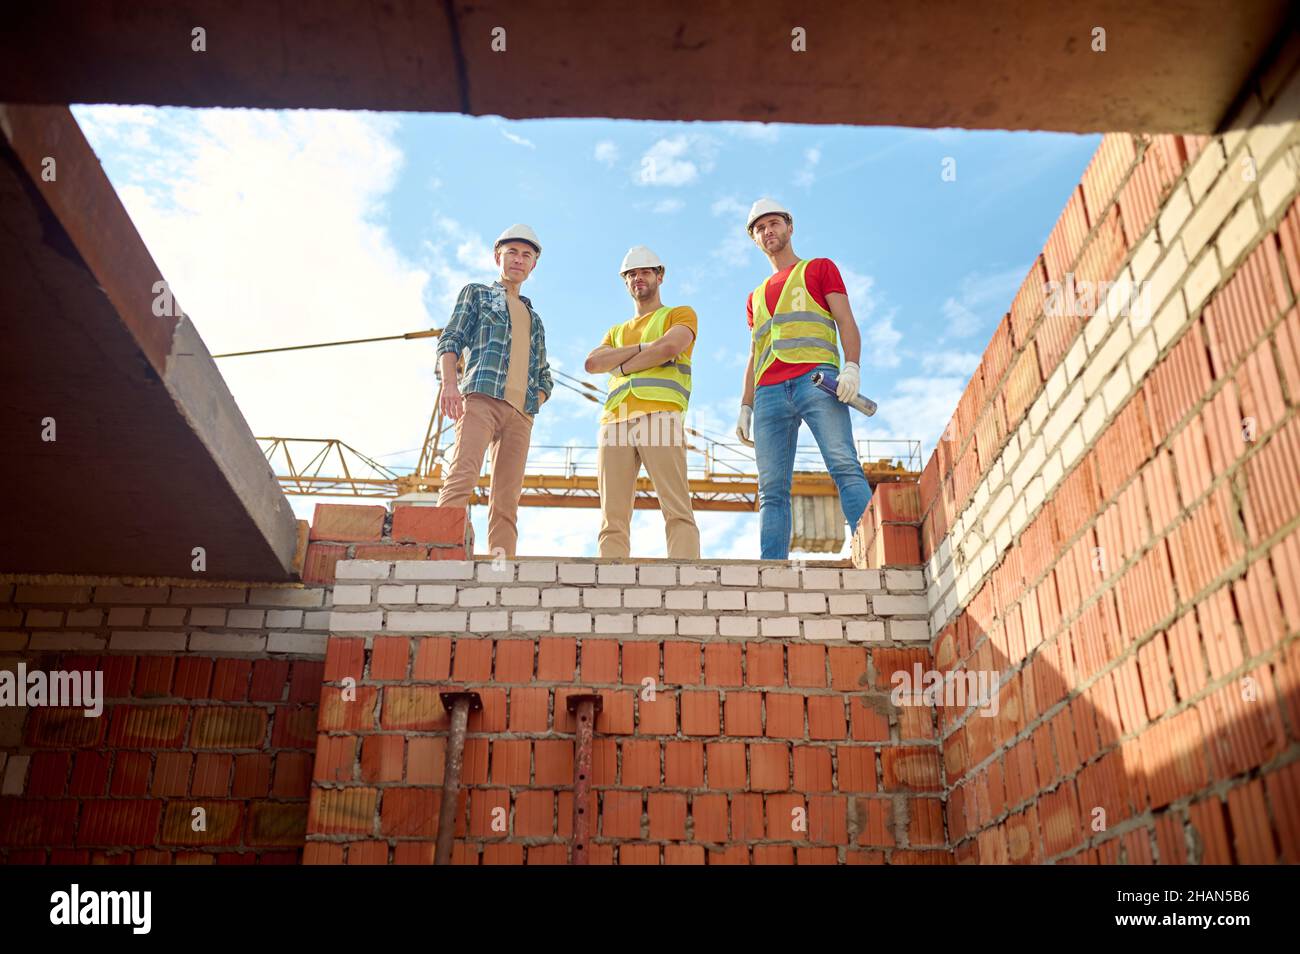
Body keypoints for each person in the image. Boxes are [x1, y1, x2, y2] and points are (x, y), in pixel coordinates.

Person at [735, 199, 872, 560]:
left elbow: (845, 320)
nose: (768, 231)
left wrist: (852, 367)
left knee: (844, 465)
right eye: (760, 228)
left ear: (789, 227)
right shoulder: (755, 297)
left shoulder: (820, 269)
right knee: (771, 490)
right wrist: (745, 404)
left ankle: (873, 551)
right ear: (755, 239)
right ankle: (772, 569)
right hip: (768, 394)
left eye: (774, 223)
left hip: (817, 381)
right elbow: (754, 351)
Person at [435, 224, 552, 558]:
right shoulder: (477, 294)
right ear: (497, 256)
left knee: (506, 501)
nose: (519, 259)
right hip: (480, 400)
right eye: (512, 252)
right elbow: (451, 339)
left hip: (520, 416)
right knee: (462, 477)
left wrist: (532, 404)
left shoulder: (535, 319)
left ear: (533, 265)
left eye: (526, 255)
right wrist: (450, 385)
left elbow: (544, 375)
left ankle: (501, 573)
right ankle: (440, 557)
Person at [584, 246, 701, 559]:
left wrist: (620, 365)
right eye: (631, 274)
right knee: (612, 516)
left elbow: (670, 347)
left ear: (659, 276)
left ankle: (686, 575)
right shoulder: (617, 330)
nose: (638, 278)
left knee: (676, 507)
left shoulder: (679, 314)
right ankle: (609, 578)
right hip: (615, 420)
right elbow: (593, 363)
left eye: (645, 271)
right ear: (625, 281)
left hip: (660, 415)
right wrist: (644, 347)